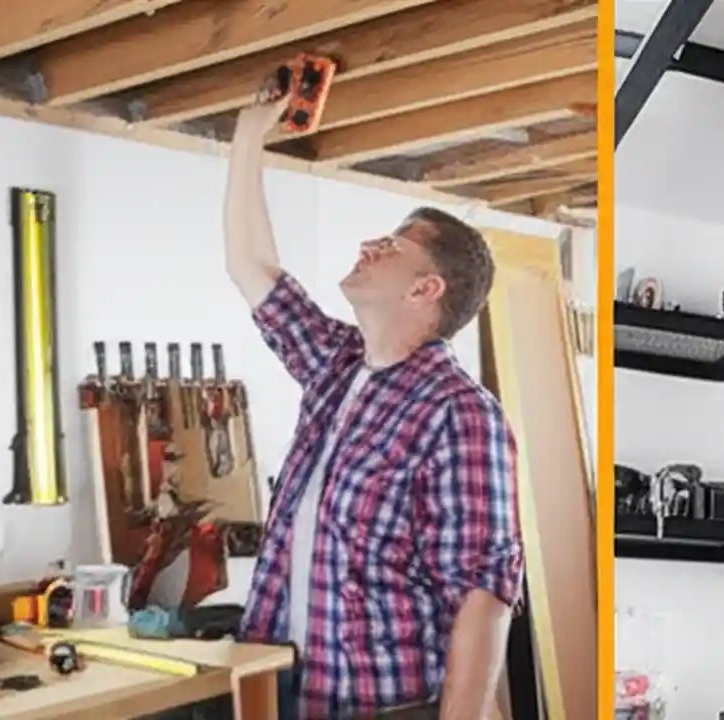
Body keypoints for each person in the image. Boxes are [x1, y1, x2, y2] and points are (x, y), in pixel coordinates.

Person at [223, 80, 524, 719]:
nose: (368, 247)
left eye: (391, 247)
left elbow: (483, 593)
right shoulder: (336, 367)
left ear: (425, 289)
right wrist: (249, 137)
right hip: (282, 695)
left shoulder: (460, 414)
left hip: (382, 708)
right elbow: (252, 266)